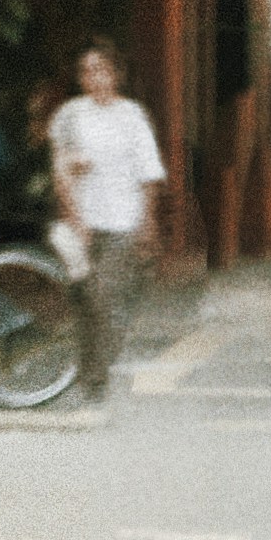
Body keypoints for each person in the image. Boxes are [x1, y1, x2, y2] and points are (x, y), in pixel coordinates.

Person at [41, 42, 169, 383]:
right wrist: (75, 219)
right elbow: (59, 170)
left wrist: (148, 221)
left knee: (104, 295)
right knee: (83, 300)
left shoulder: (132, 115)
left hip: (123, 220)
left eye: (102, 70)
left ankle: (97, 371)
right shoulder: (69, 115)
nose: (95, 78)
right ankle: (89, 370)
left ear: (116, 74)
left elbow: (148, 172)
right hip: (82, 220)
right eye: (87, 71)